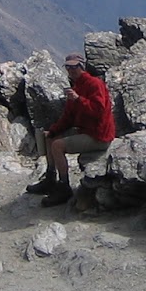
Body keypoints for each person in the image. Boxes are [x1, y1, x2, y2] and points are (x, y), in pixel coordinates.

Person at [26, 53, 115, 206]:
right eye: (68, 67)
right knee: (50, 138)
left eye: (75, 67)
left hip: (99, 135)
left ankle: (64, 187)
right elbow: (68, 118)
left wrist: (78, 99)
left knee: (57, 146)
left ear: (82, 67)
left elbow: (99, 111)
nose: (71, 70)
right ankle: (50, 178)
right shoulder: (76, 87)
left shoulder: (94, 84)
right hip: (86, 131)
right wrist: (53, 131)